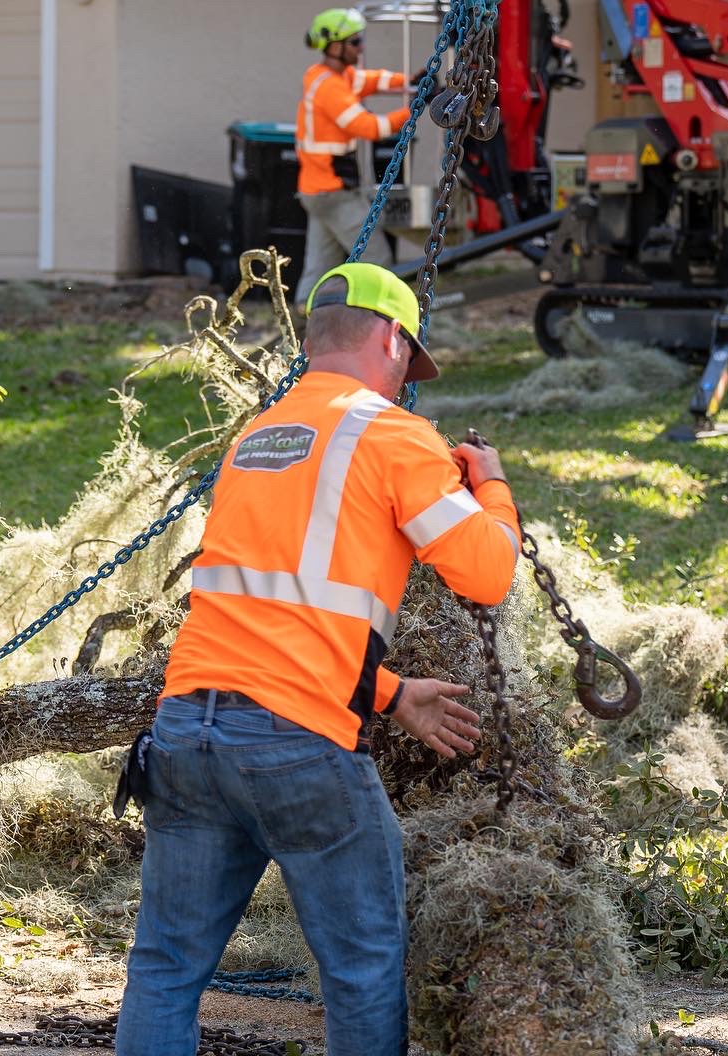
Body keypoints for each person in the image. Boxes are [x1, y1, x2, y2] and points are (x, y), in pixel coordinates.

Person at [116, 262, 520, 1056]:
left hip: (185, 734)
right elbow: (489, 571)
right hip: (298, 748)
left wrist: (393, 690)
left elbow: (278, 617)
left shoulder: (255, 440)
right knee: (363, 970)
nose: (406, 375)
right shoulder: (397, 434)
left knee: (165, 967)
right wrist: (494, 487)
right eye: (408, 357)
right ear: (390, 339)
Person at [294, 7, 423, 307]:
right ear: (334, 46)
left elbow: (372, 80)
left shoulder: (332, 76)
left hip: (320, 189)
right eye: (355, 42)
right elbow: (369, 127)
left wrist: (413, 80)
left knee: (320, 266)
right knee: (376, 258)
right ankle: (381, 318)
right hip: (332, 192)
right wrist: (414, 107)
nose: (361, 47)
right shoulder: (329, 87)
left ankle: (302, 320)